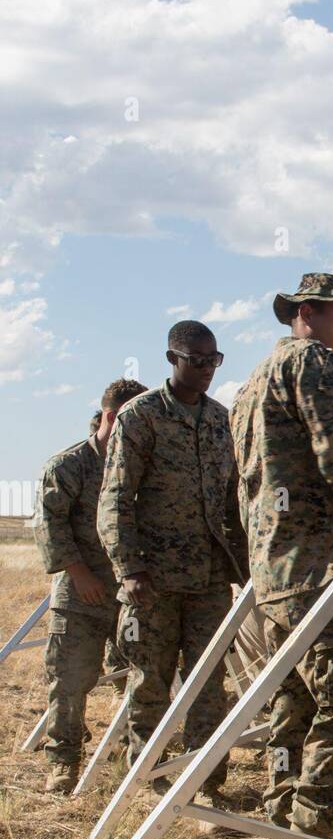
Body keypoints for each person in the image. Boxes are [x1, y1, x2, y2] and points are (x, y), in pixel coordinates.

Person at [231, 275, 333, 839]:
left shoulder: (249, 387)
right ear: (307, 313)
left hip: (274, 574)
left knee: (295, 704)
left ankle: (282, 831)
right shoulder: (311, 361)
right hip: (321, 569)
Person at [97, 321, 248, 811]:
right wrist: (129, 569)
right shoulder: (141, 416)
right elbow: (115, 498)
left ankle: (205, 781)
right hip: (153, 579)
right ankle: (149, 778)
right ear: (172, 359)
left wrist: (245, 567)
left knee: (208, 684)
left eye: (214, 360)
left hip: (209, 579)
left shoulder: (221, 420)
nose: (206, 369)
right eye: (196, 360)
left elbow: (233, 502)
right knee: (150, 682)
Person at [33, 378, 147, 793]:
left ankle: (133, 753)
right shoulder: (68, 466)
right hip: (81, 593)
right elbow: (49, 526)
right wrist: (80, 574)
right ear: (111, 417)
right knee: (70, 679)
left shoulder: (141, 465)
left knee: (139, 676)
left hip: (130, 593)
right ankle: (63, 761)